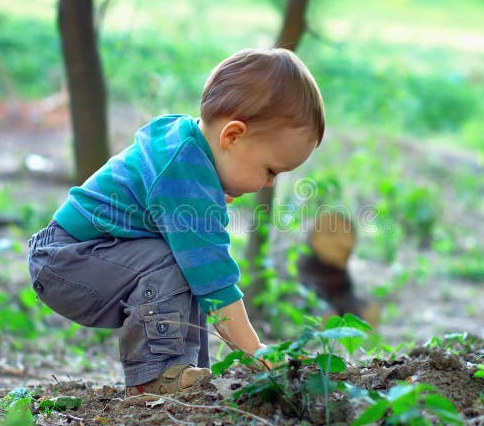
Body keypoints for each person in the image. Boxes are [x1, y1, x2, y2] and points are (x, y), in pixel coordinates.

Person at [27, 47, 325, 398]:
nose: (271, 183)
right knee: (183, 262)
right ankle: (154, 377)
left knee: (182, 263)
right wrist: (254, 353)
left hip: (79, 255)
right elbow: (215, 281)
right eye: (270, 170)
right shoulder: (184, 177)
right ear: (232, 136)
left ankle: (183, 374)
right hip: (68, 261)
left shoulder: (187, 146)